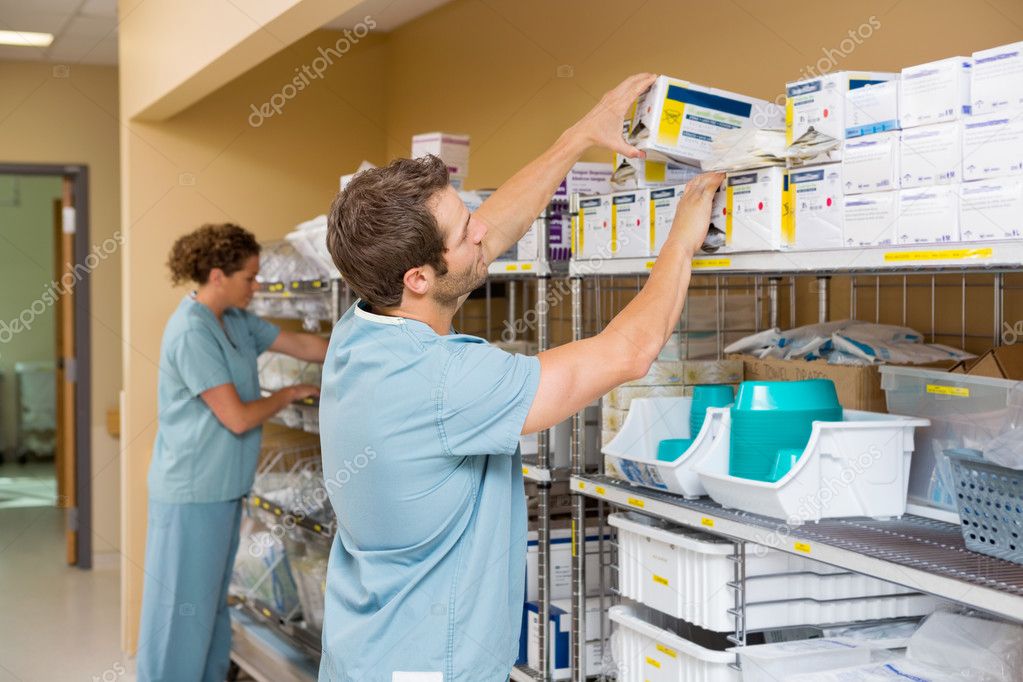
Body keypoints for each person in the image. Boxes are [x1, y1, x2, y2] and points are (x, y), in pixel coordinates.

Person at [318, 73, 724, 682]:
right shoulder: (446, 380)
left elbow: (489, 233)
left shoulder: (362, 329)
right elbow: (629, 352)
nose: (480, 230)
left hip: (363, 655)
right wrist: (682, 241)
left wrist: (580, 136)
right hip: (429, 669)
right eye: (465, 231)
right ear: (418, 279)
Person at [137, 223, 328, 682]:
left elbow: (302, 344)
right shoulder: (192, 332)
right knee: (181, 611)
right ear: (217, 276)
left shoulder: (237, 320)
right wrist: (289, 394)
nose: (256, 286)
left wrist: (364, 344)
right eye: (249, 277)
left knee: (210, 606)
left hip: (224, 489)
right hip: (191, 494)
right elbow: (238, 418)